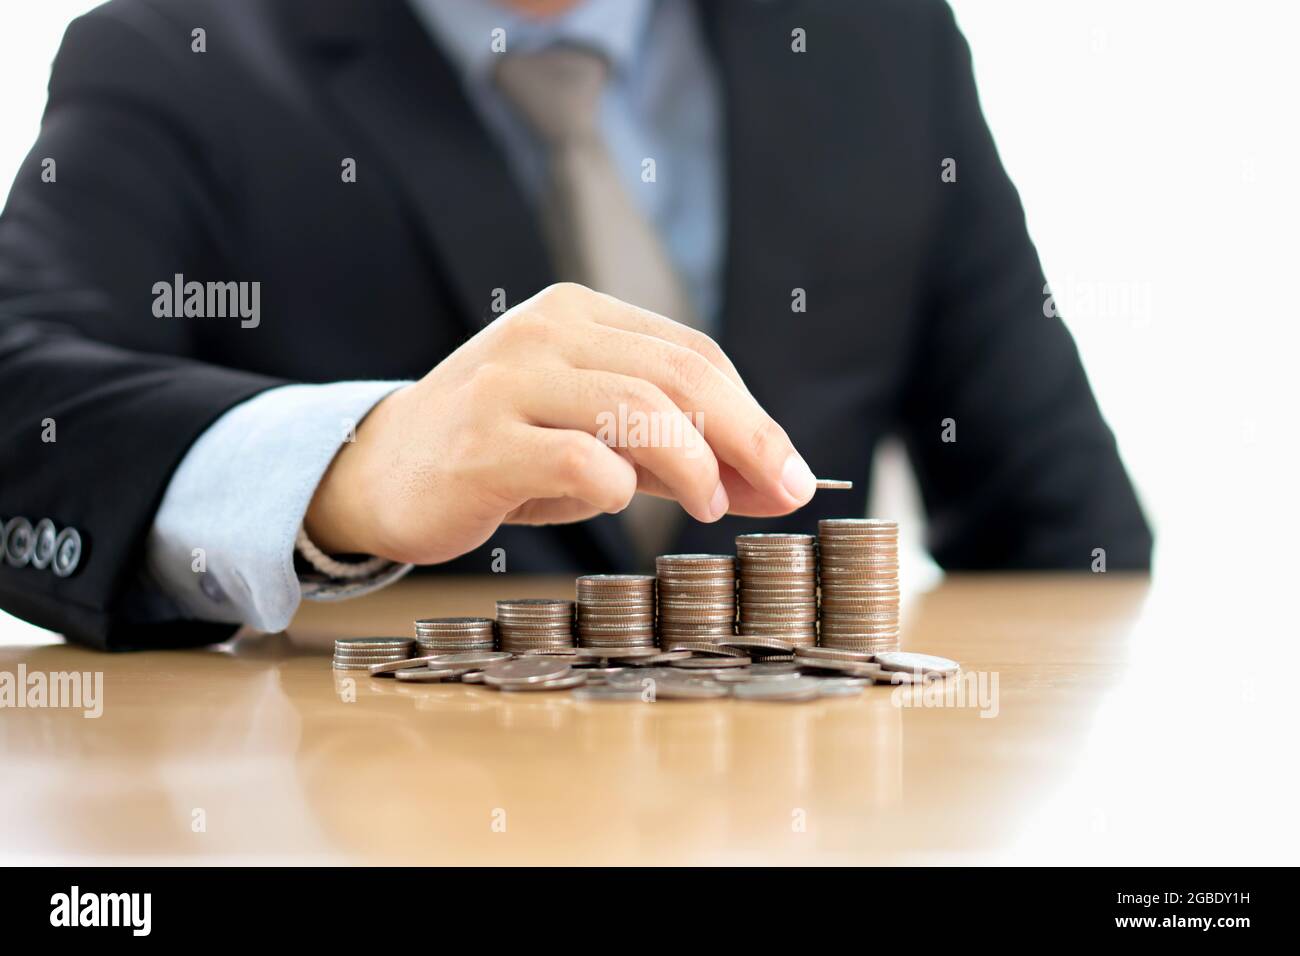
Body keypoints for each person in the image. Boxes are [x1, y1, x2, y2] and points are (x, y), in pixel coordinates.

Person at [0, 0, 1151, 651]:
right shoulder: (175, 55)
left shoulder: (877, 41)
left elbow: (1067, 531)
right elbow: (18, 399)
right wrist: (344, 465)